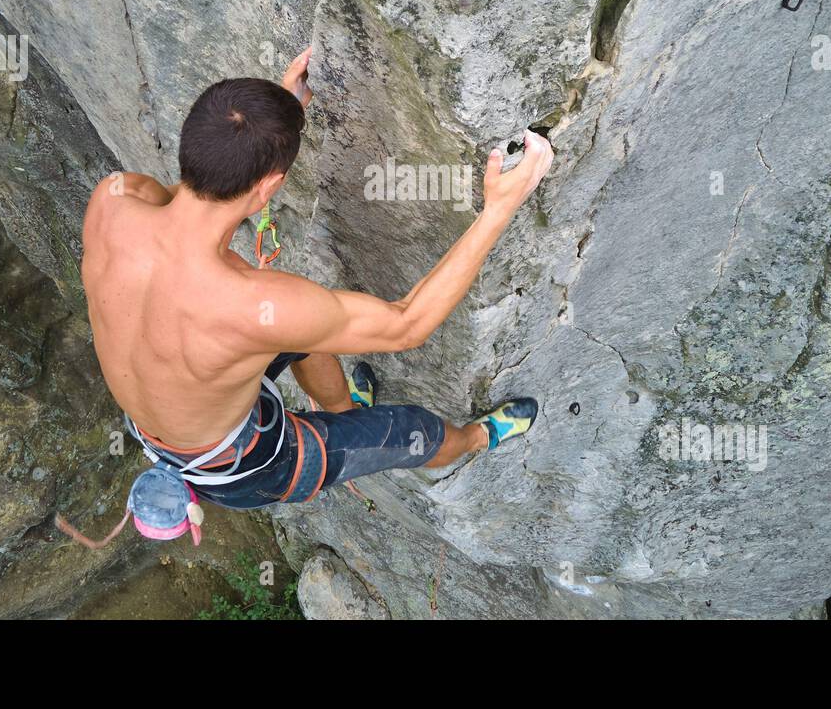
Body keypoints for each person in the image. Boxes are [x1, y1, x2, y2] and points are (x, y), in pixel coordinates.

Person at [80, 46, 554, 508]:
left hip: (165, 413)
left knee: (300, 327)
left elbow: (209, 188)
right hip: (244, 467)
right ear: (269, 186)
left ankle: (343, 413)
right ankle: (478, 438)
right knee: (417, 432)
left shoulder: (114, 201)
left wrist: (274, 122)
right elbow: (407, 325)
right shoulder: (257, 306)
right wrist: (499, 209)